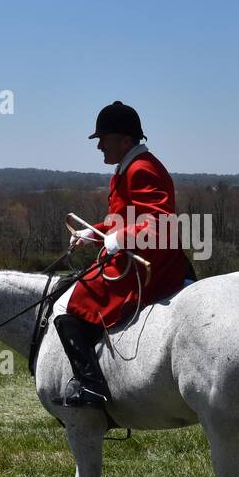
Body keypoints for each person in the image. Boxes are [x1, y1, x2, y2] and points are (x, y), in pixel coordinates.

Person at [56, 101, 189, 408]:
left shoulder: (141, 170)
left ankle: (92, 386)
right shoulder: (128, 168)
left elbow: (160, 223)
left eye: (104, 139)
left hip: (147, 265)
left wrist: (122, 237)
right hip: (136, 255)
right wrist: (97, 231)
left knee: (72, 311)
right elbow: (127, 218)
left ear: (126, 141)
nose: (99, 145)